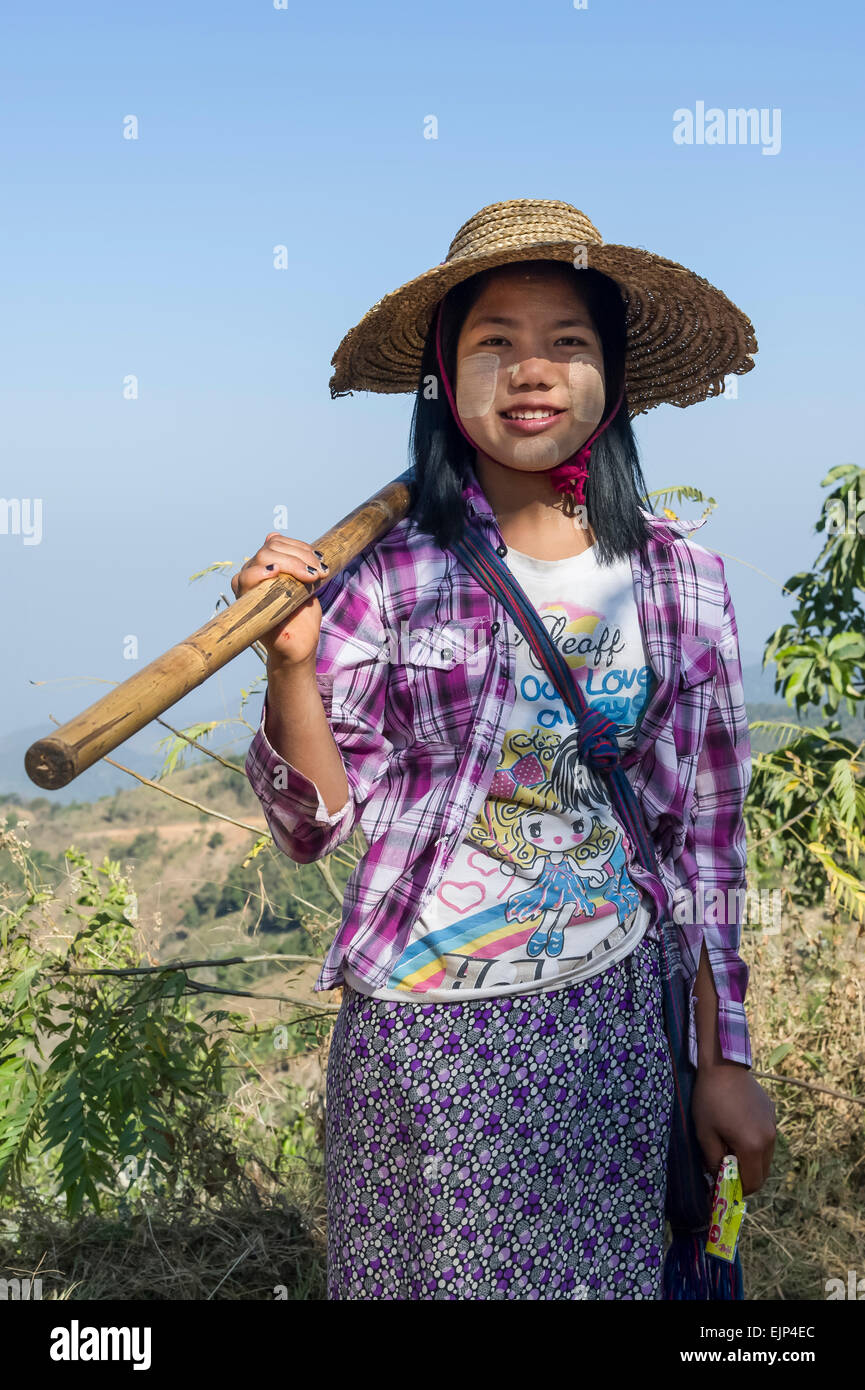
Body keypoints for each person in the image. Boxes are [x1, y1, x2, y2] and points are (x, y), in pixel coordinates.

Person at [236, 199, 776, 1300]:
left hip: (610, 1025)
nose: (531, 370)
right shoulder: (382, 575)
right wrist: (290, 662)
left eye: (565, 343)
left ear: (610, 380)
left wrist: (726, 1061)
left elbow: (707, 845)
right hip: (420, 1040)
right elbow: (310, 825)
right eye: (493, 342)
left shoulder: (681, 580)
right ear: (445, 373)